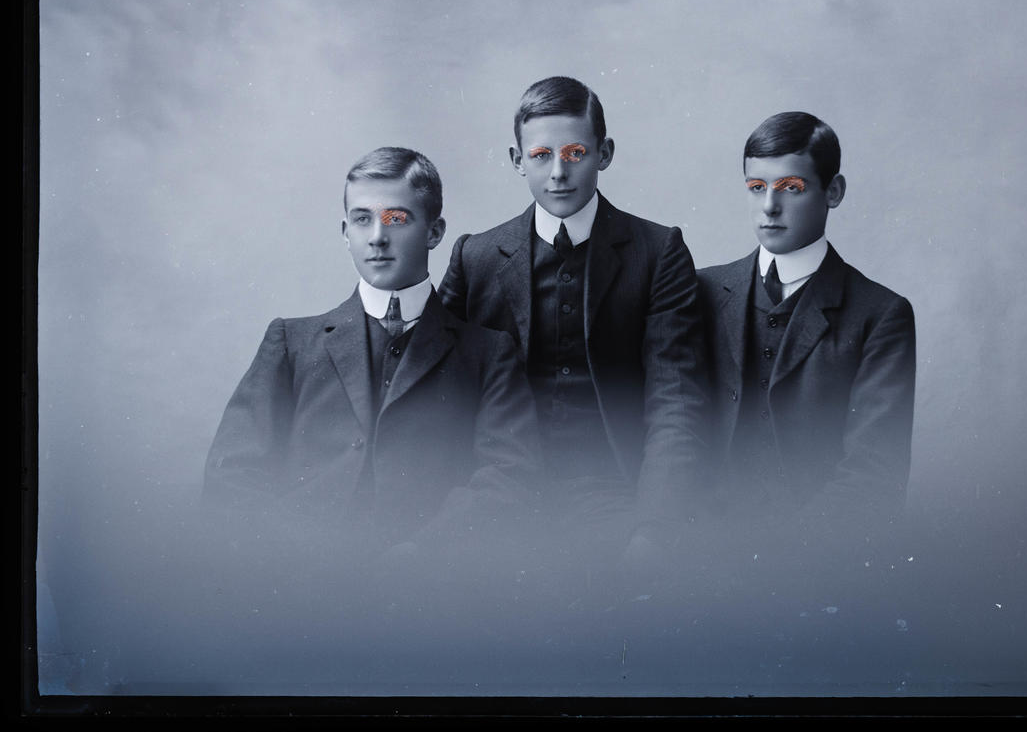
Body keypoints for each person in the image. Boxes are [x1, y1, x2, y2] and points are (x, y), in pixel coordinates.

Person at [204, 147, 542, 557]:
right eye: (362, 219)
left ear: (435, 232)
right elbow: (233, 476)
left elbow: (510, 478)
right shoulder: (292, 342)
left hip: (430, 588)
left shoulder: (487, 354)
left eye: (396, 218)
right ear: (345, 232)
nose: (377, 237)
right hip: (297, 587)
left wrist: (421, 551)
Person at [439, 76, 707, 569]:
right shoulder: (475, 256)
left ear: (604, 153)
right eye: (541, 156)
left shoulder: (657, 251)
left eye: (576, 152)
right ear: (517, 161)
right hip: (497, 493)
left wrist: (655, 526)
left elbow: (676, 400)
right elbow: (437, 388)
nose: (559, 172)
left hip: (614, 493)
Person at [697, 111, 915, 562]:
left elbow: (874, 474)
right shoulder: (699, 293)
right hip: (698, 558)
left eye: (791, 188)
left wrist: (788, 561)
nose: (769, 207)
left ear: (833, 192)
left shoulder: (879, 314)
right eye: (756, 187)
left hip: (815, 565)